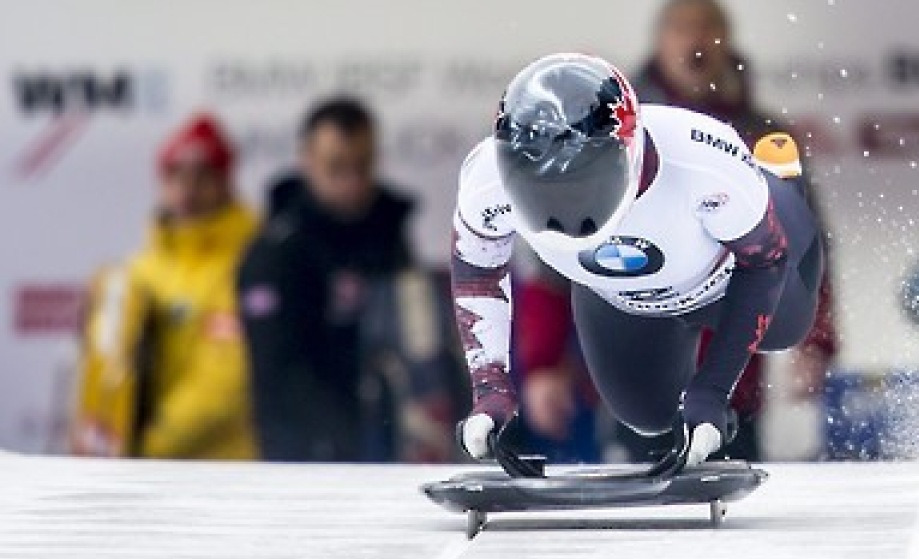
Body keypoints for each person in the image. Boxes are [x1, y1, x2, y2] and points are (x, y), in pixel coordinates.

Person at [452, 54, 824, 467]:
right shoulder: (484, 181)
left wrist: (714, 389)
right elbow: (479, 272)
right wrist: (490, 392)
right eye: (541, 192)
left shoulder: (702, 161)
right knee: (646, 417)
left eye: (581, 186)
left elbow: (764, 263)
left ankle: (776, 177)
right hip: (619, 293)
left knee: (787, 326)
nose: (566, 214)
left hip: (735, 274)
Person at [238, 97, 460, 462]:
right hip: (308, 460)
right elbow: (280, 376)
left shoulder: (390, 233)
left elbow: (418, 345)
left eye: (363, 165)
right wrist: (344, 442)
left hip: (397, 449)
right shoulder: (276, 254)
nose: (352, 182)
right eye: (336, 167)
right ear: (306, 159)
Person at [72, 113, 258, 459]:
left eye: (203, 176)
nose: (188, 189)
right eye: (176, 175)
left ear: (226, 182)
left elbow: (226, 381)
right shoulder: (137, 271)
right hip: (142, 468)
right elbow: (108, 369)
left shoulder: (247, 266)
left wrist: (152, 443)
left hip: (221, 470)